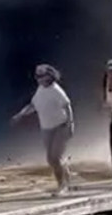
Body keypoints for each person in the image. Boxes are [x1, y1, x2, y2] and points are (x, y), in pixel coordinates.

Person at [12, 63, 75, 195]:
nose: (39, 79)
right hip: (46, 128)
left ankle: (62, 186)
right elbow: (33, 105)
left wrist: (70, 124)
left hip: (60, 126)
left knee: (55, 157)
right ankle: (67, 180)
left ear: (49, 76)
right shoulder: (40, 89)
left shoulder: (55, 90)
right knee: (51, 159)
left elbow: (67, 105)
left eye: (41, 76)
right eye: (37, 76)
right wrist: (20, 115)